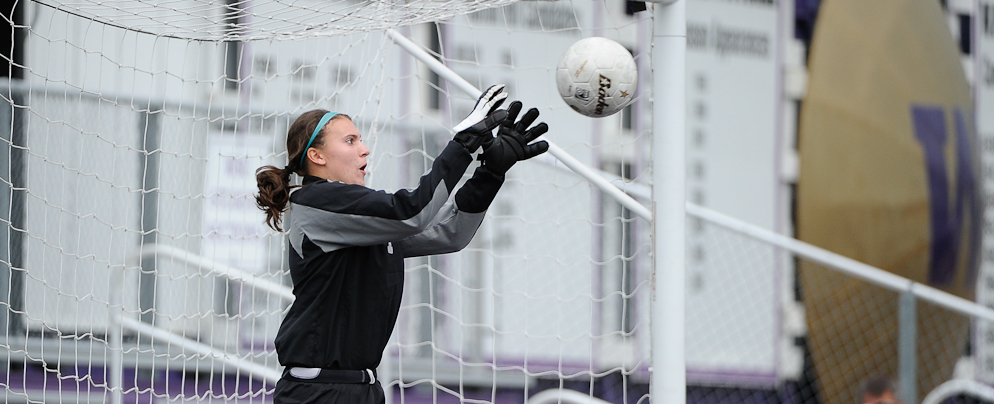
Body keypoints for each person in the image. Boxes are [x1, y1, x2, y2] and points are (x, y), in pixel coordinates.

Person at [254, 84, 549, 404]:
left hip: (362, 389)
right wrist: (462, 144)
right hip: (317, 392)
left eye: (361, 140)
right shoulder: (314, 201)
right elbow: (414, 213)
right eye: (350, 141)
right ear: (316, 156)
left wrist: (490, 173)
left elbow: (450, 233)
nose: (364, 149)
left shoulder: (358, 220)